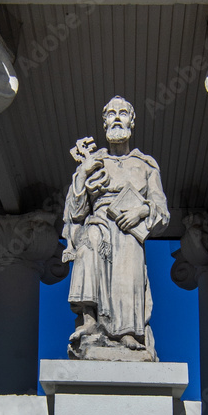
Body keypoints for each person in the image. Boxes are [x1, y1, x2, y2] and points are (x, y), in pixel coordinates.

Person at [62, 96, 169, 360]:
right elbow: (75, 212)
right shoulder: (92, 162)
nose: (117, 117)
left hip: (129, 229)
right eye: (111, 114)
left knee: (128, 271)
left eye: (123, 113)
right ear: (104, 122)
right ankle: (89, 321)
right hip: (98, 222)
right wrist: (83, 176)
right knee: (88, 249)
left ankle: (128, 332)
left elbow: (162, 212)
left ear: (132, 121)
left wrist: (142, 210)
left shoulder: (145, 166)